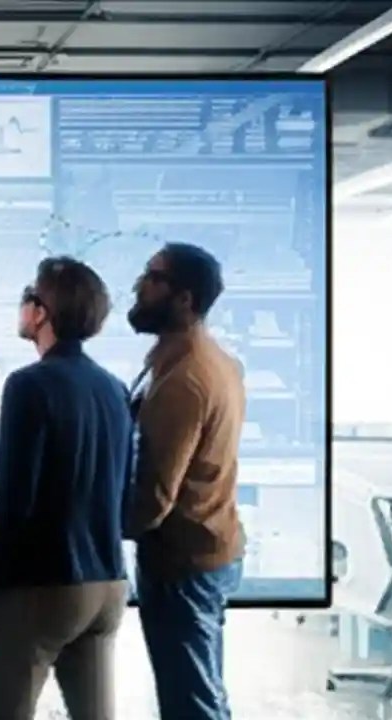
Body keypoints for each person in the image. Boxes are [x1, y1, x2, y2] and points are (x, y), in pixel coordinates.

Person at [0, 257, 133, 720]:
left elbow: (15, 496)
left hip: (42, 584)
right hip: (106, 582)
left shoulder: (29, 385)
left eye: (28, 295)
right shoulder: (113, 388)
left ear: (41, 312)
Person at [125, 243, 246, 720]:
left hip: (183, 561)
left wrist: (93, 526)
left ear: (185, 299)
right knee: (203, 691)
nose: (139, 285)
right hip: (208, 547)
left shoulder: (185, 380)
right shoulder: (197, 359)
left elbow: (155, 497)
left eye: (153, 277)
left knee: (190, 704)